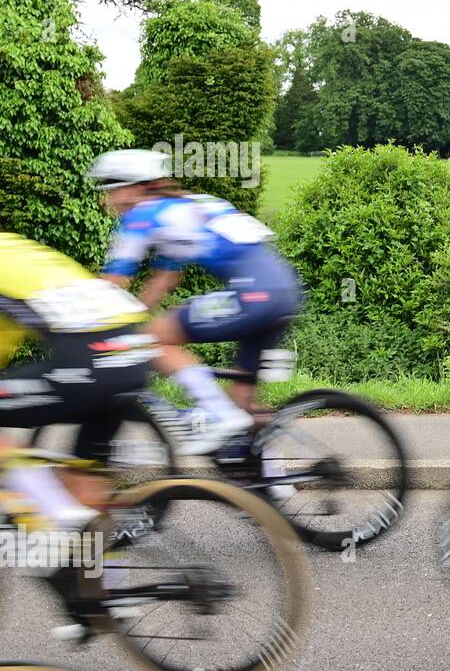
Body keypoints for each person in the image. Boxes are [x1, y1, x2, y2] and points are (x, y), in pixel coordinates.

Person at [89, 149, 303, 455]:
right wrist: (130, 321)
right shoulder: (185, 206)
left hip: (254, 294)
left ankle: (218, 414)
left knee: (154, 340)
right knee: (242, 417)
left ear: (135, 187)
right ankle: (271, 486)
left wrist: (83, 321)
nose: (110, 201)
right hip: (285, 292)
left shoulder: (141, 216)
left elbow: (114, 283)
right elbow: (163, 280)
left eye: (112, 191)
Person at [0, 233, 156, 528]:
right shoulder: (12, 245)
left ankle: (56, 513)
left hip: (90, 362)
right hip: (134, 353)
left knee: (64, 515)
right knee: (83, 478)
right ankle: (89, 565)